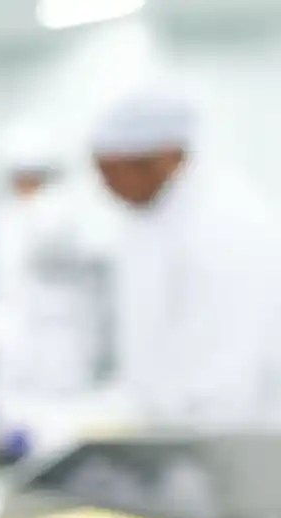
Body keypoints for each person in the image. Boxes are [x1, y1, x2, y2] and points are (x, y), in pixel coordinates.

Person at [93, 83, 281, 429]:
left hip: (232, 438)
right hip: (173, 432)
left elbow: (227, 381)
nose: (105, 186)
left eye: (111, 171)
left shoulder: (226, 221)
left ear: (162, 157)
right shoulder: (152, 219)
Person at [0, 127, 110, 451]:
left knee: (57, 431)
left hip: (63, 346)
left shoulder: (68, 212)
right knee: (13, 424)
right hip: (17, 345)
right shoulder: (6, 217)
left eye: (32, 177)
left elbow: (71, 249)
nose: (24, 187)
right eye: (18, 178)